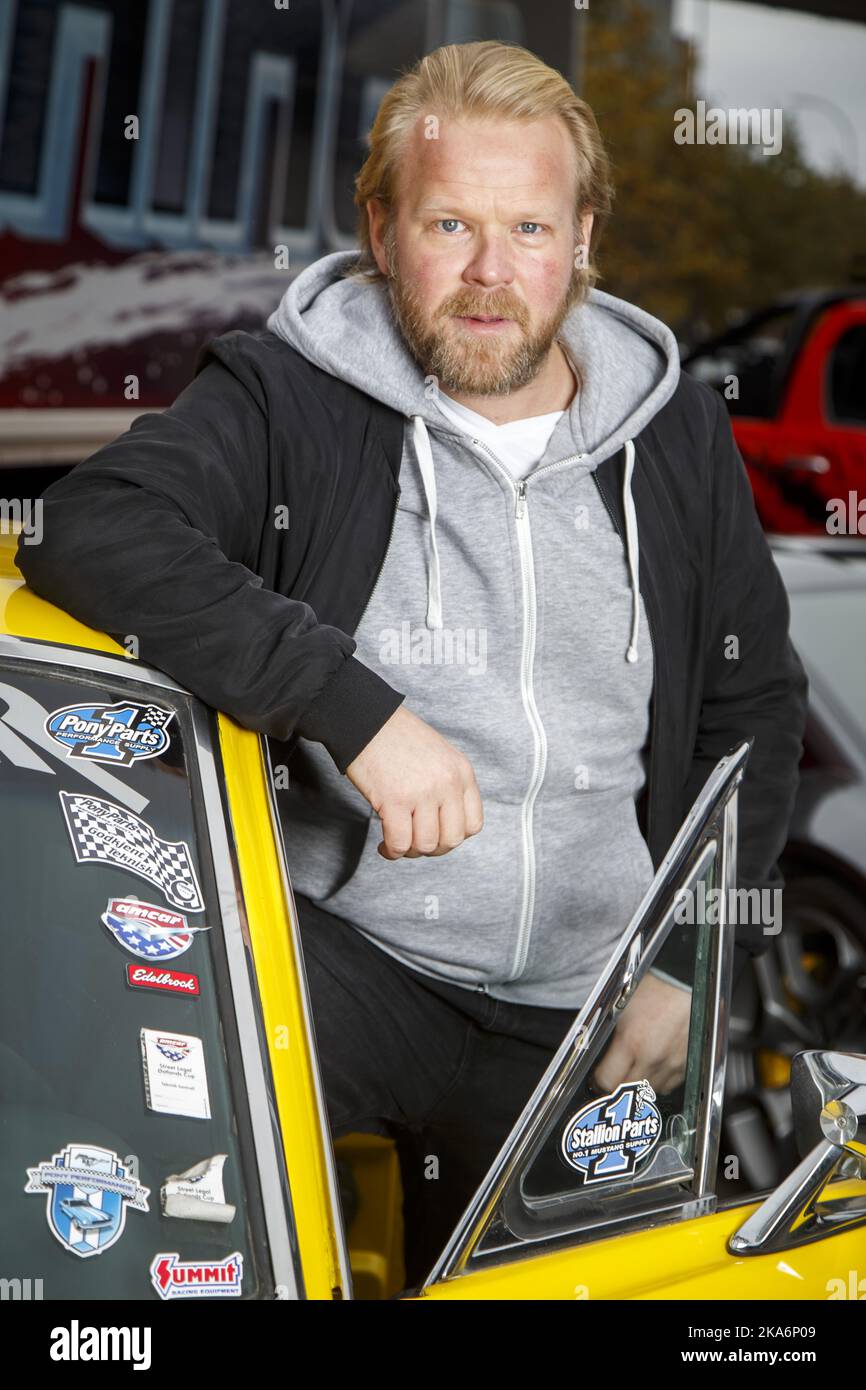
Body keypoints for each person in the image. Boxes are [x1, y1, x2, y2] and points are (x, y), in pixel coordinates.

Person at [18, 40, 807, 1286]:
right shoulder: (290, 398)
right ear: (380, 230)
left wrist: (687, 960)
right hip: (341, 961)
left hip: (587, 1004)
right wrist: (352, 706)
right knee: (136, 1197)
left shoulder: (677, 435)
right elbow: (90, 528)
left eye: (529, 229)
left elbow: (752, 705)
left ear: (583, 234)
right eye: (449, 224)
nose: (492, 277)